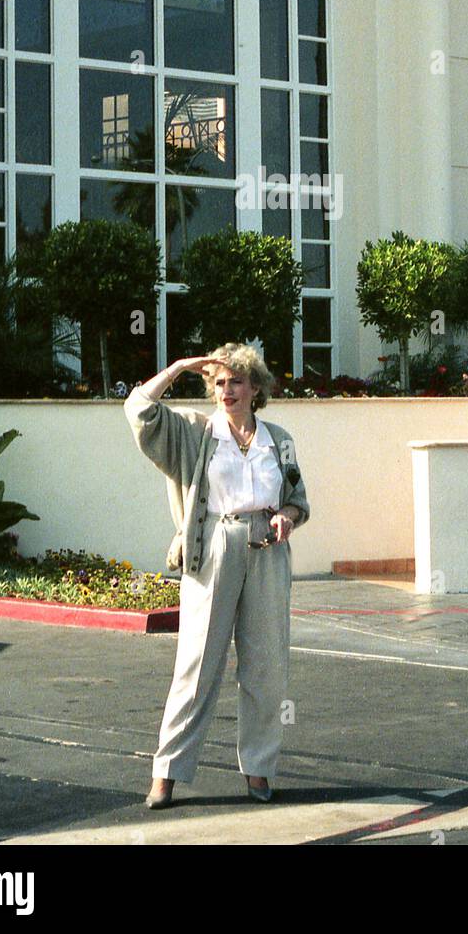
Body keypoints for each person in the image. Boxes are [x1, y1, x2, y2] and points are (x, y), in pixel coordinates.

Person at [123, 342, 310, 808]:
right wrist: (181, 366)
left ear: (256, 388)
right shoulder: (195, 431)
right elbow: (139, 408)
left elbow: (298, 499)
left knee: (266, 667)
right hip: (214, 548)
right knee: (197, 663)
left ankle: (259, 770)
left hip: (268, 550)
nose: (226, 390)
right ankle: (167, 772)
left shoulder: (278, 438)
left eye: (236, 381)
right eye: (219, 382)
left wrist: (288, 515)